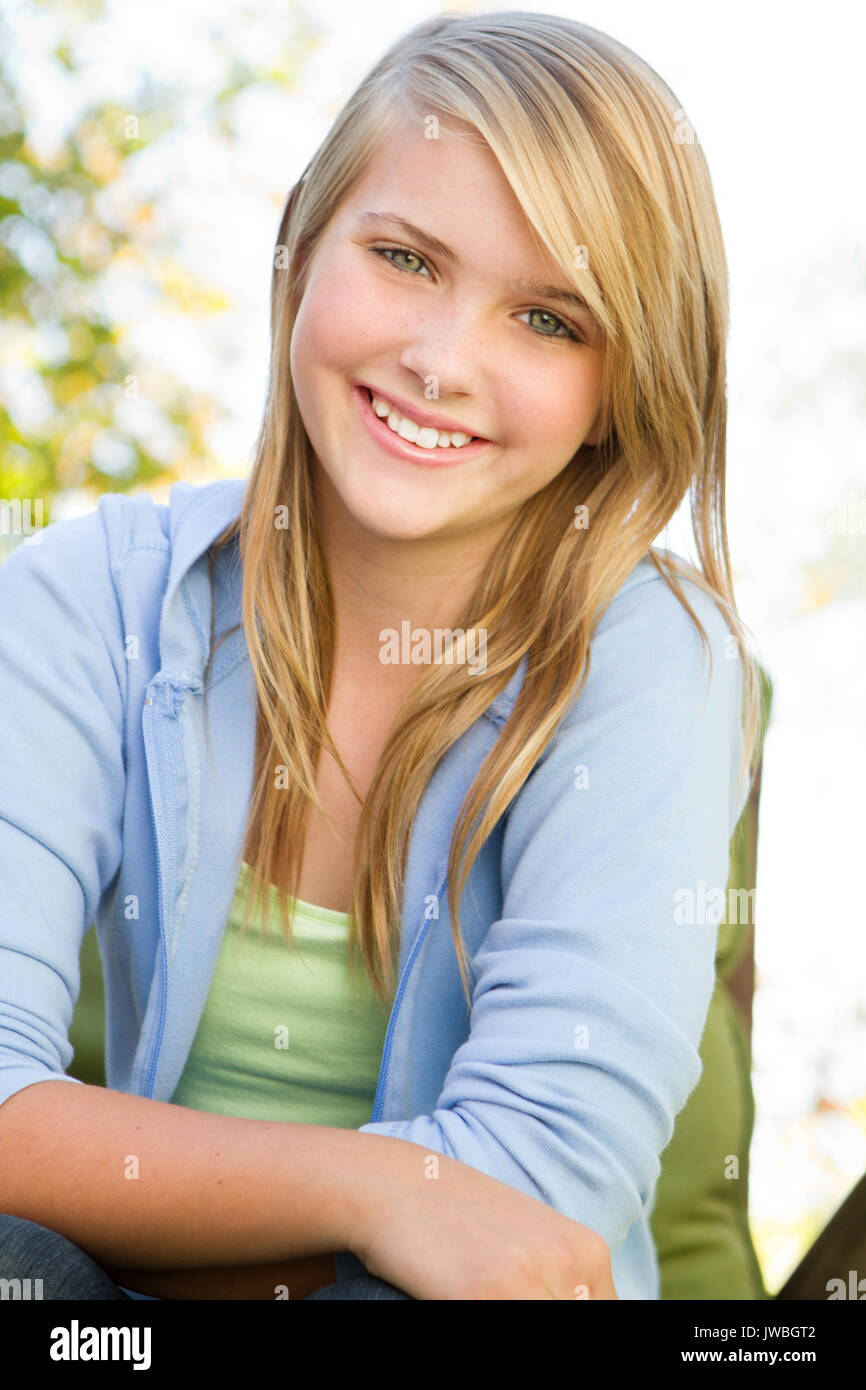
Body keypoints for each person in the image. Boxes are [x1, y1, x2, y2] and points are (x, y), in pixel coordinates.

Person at [0, 10, 762, 1301]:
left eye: (546, 319)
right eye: (405, 257)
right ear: (299, 238)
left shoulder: (652, 663)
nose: (440, 358)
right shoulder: (87, 596)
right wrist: (378, 1186)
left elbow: (525, 1201)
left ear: (615, 387)